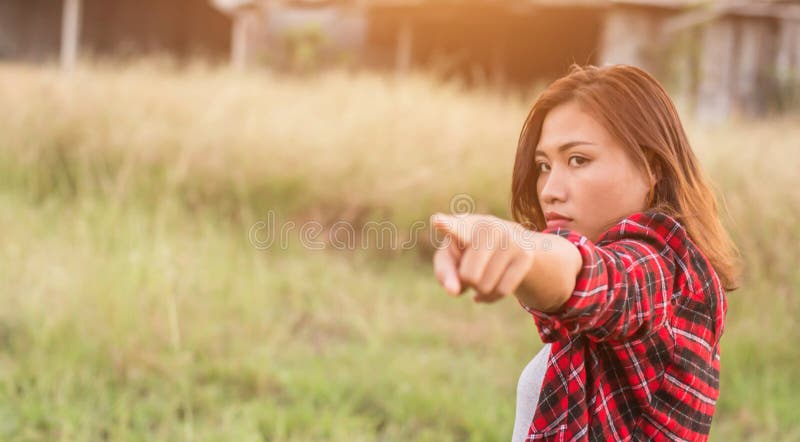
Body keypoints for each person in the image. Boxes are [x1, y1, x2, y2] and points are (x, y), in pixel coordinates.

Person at [430, 64, 741, 441]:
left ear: (651, 168)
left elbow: (603, 278)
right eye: (544, 166)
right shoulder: (606, 307)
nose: (549, 190)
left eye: (578, 159)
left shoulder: (667, 274)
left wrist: (522, 248)